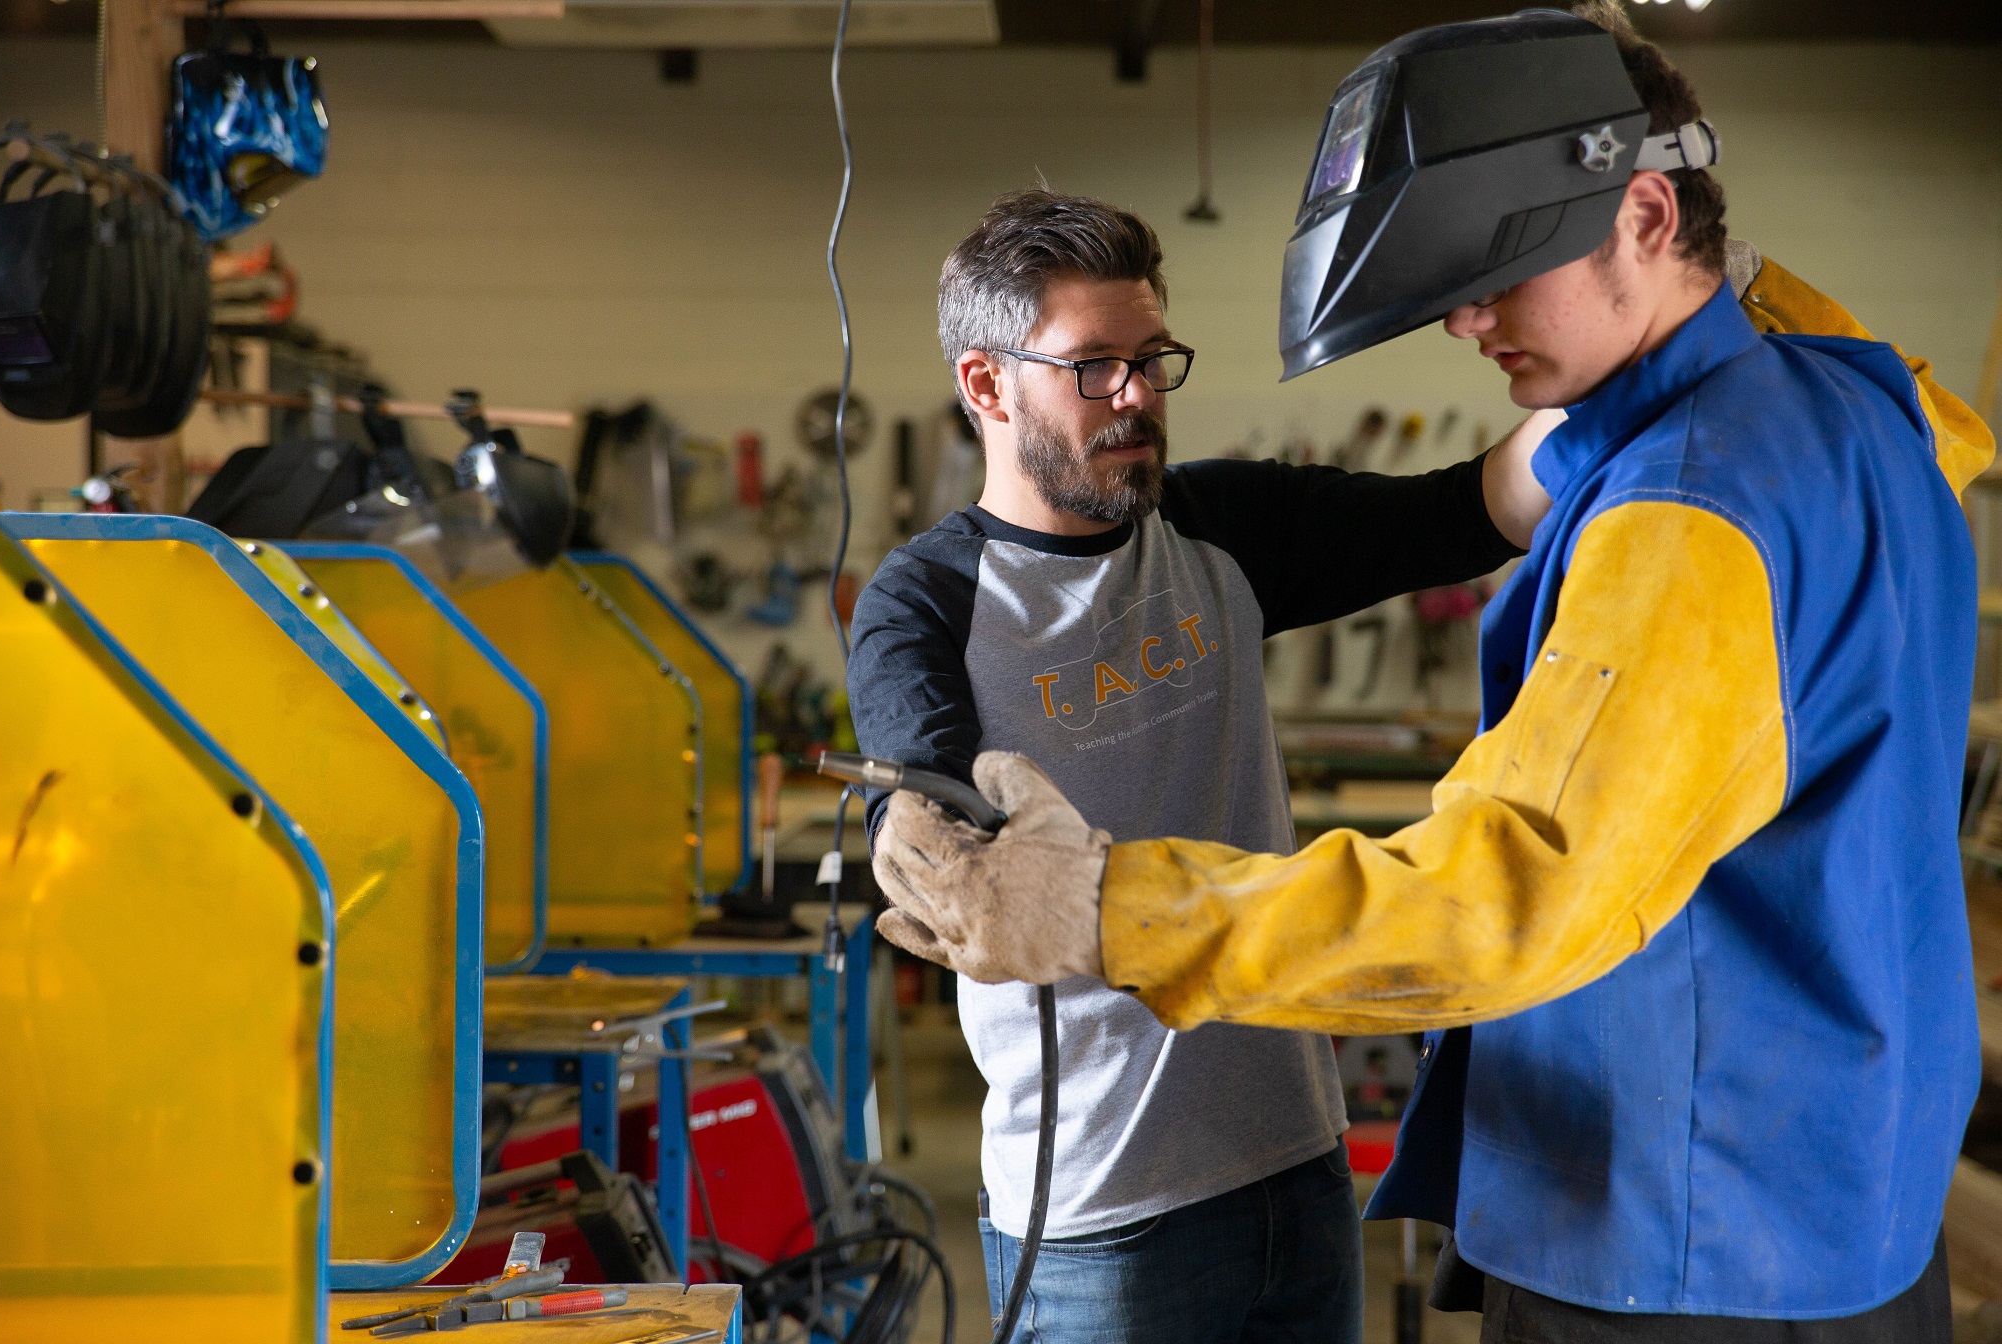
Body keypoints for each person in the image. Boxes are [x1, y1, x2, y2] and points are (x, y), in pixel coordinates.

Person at [865, 6, 1996, 1342]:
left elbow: (1498, 896)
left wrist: (1116, 906)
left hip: (1681, 1237)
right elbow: (1931, 417)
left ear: (1644, 217)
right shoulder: (1858, 407)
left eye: (1502, 270)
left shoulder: (1686, 512)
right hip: (1834, 1207)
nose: (1467, 321)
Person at [846, 188, 1548, 1344]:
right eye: (1093, 367)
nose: (1135, 397)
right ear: (986, 385)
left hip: (1301, 1168)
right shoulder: (927, 602)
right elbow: (923, 824)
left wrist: (1658, 338)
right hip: (1100, 1222)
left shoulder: (1218, 531)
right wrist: (922, 848)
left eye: (1151, 359)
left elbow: (1475, 507)